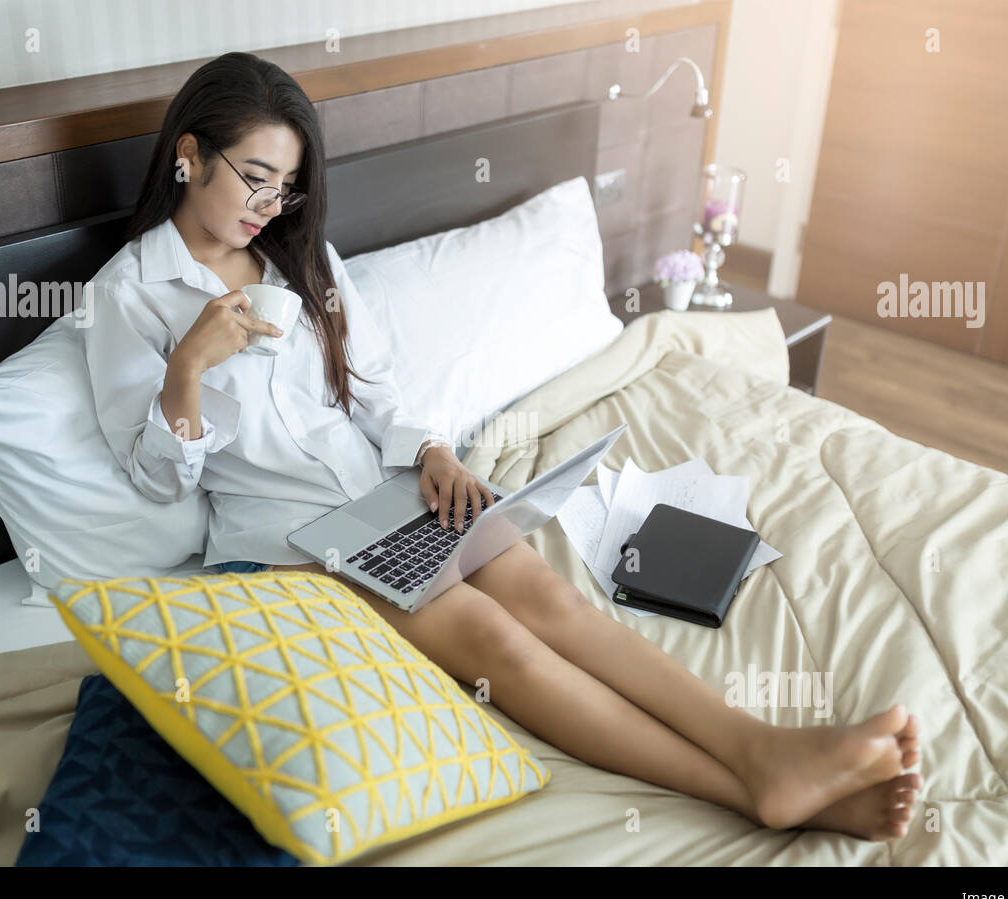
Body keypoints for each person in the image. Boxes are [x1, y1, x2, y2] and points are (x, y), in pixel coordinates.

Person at [82, 52, 921, 841]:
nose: (269, 206)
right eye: (255, 179)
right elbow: (156, 481)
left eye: (287, 188)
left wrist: (434, 454)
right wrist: (186, 369)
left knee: (552, 601)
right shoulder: (128, 295)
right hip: (289, 552)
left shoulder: (302, 260)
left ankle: (758, 744)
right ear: (189, 155)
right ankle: (755, 788)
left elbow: (377, 394)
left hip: (387, 494)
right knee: (497, 642)